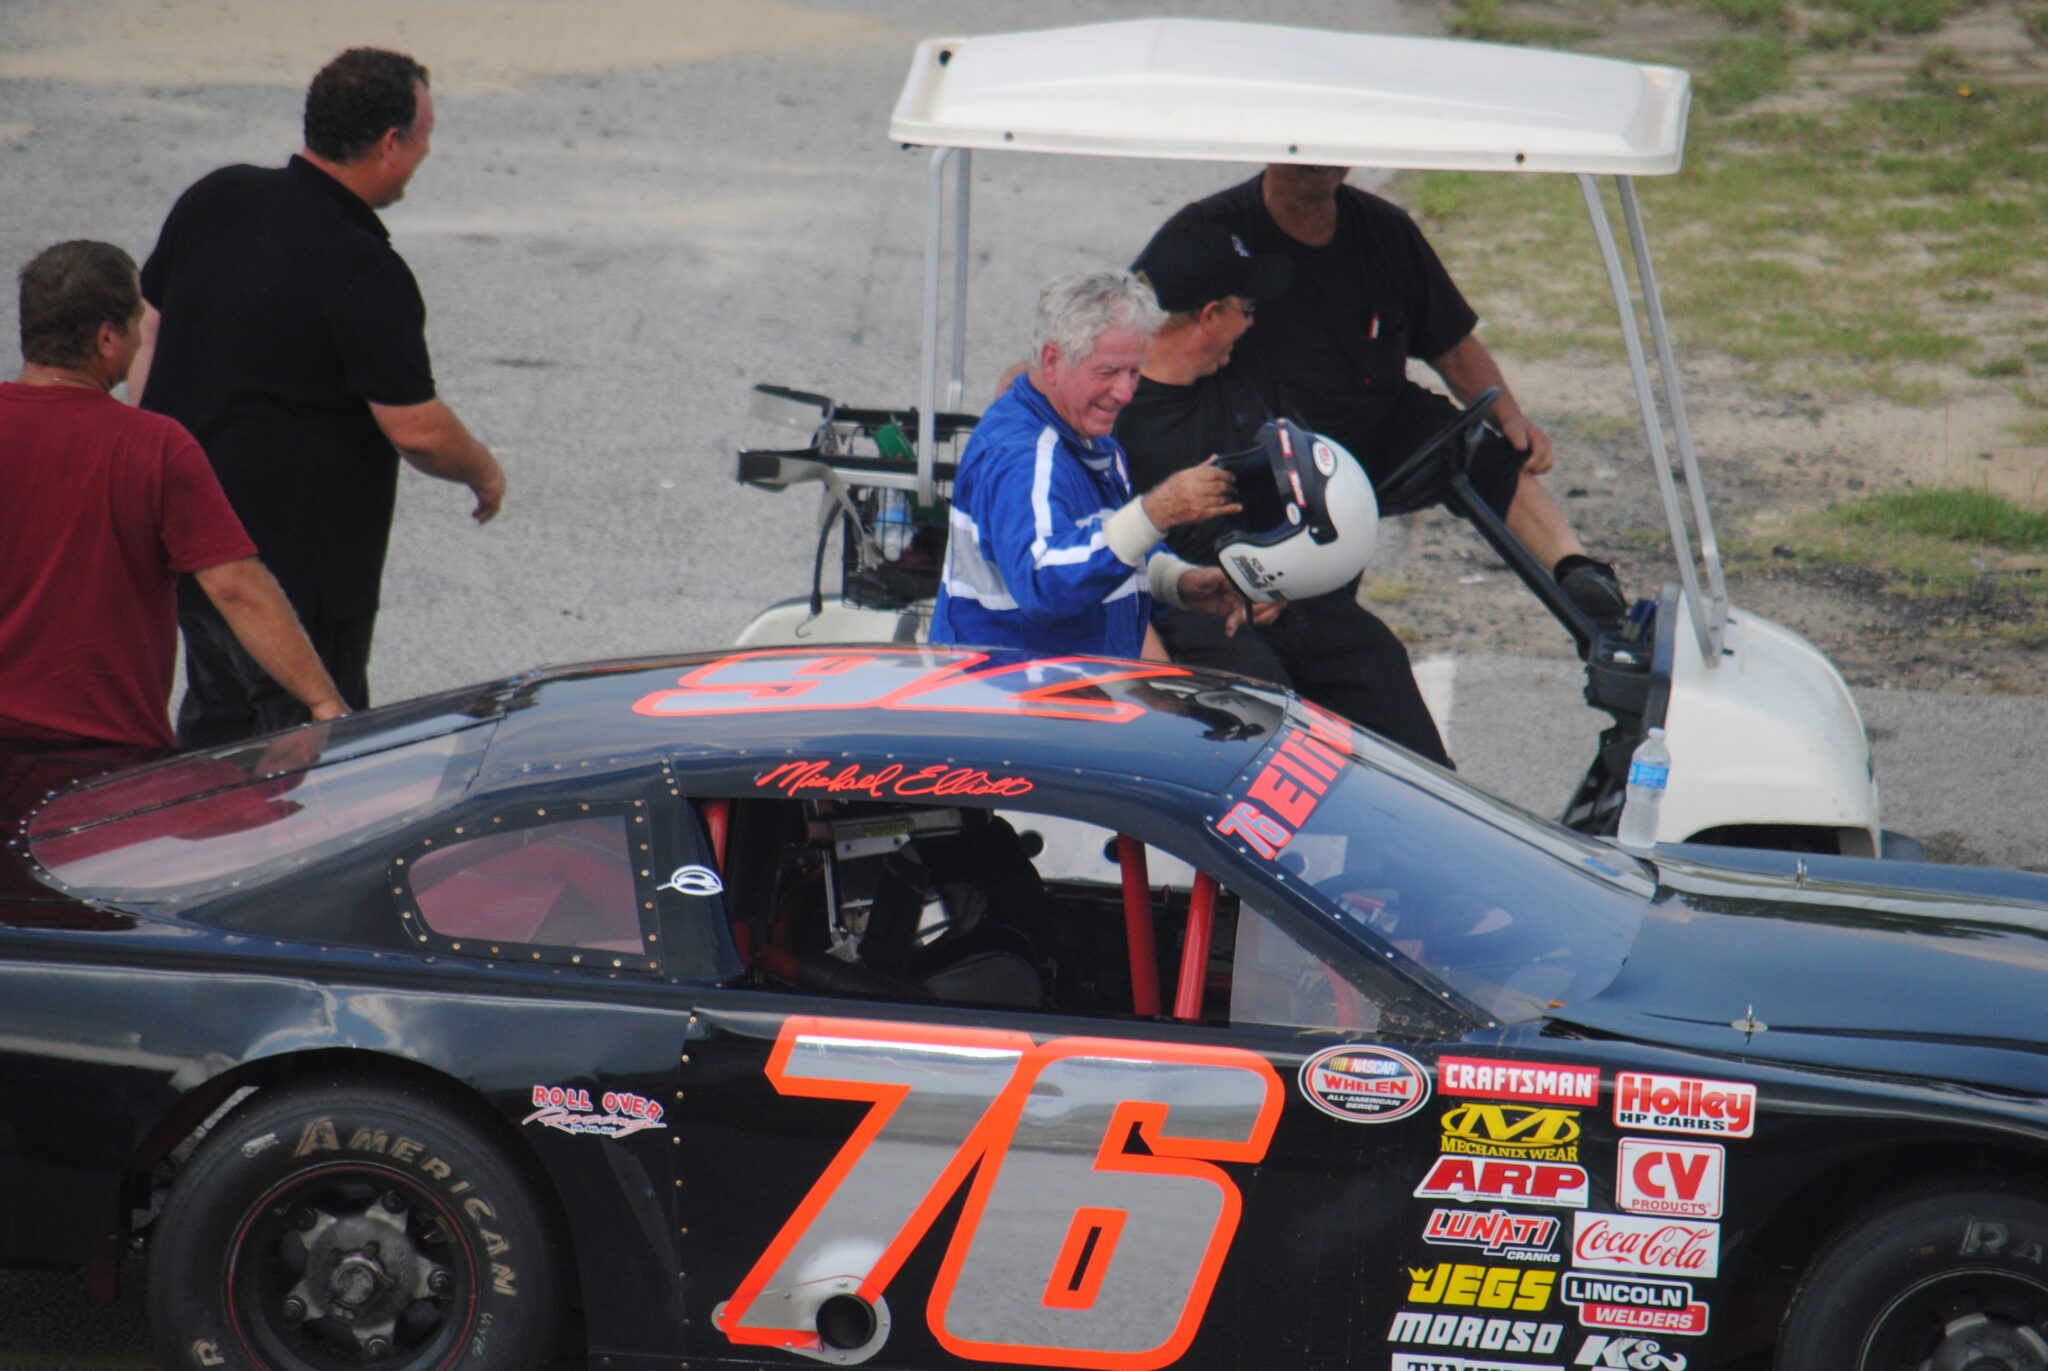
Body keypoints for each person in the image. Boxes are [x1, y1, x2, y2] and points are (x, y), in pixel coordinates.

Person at [130, 47, 506, 747]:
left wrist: (160, 457)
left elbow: (147, 333)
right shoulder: (365, 267)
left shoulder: (217, 197)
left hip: (191, 536)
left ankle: (200, 849)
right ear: (390, 144)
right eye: (423, 137)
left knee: (216, 720)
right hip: (301, 576)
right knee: (304, 748)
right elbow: (416, 428)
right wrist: (484, 471)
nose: (426, 152)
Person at [1139, 164, 1627, 622]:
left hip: (1378, 429)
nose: (1319, 162)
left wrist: (1512, 417)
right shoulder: (1214, 231)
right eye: (1305, 149)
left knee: (1476, 446)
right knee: (1320, 619)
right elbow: (1141, 327)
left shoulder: (1385, 231)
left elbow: (1452, 344)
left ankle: (1577, 571)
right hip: (1269, 456)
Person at [1117, 221, 1454, 767]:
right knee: (1268, 711)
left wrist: (1281, 581)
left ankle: (1432, 824)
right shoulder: (1114, 408)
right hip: (1188, 607)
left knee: (1373, 658)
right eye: (1246, 311)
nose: (1252, 325)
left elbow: (1307, 476)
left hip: (1287, 594)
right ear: (1209, 317)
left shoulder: (1246, 375)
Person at [0, 241, 347, 751]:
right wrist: (322, 700)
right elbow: (234, 584)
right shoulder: (154, 448)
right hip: (103, 749)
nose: (143, 337)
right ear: (106, 338)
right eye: (137, 322)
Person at [930, 270, 1246, 660]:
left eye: (1134, 371)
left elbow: (1097, 543)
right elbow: (1045, 582)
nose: (1126, 393)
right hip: (1012, 705)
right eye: (1108, 372)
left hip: (1069, 696)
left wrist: (1175, 582)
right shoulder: (1023, 457)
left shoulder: (1091, 438)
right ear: (1051, 361)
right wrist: (1157, 512)